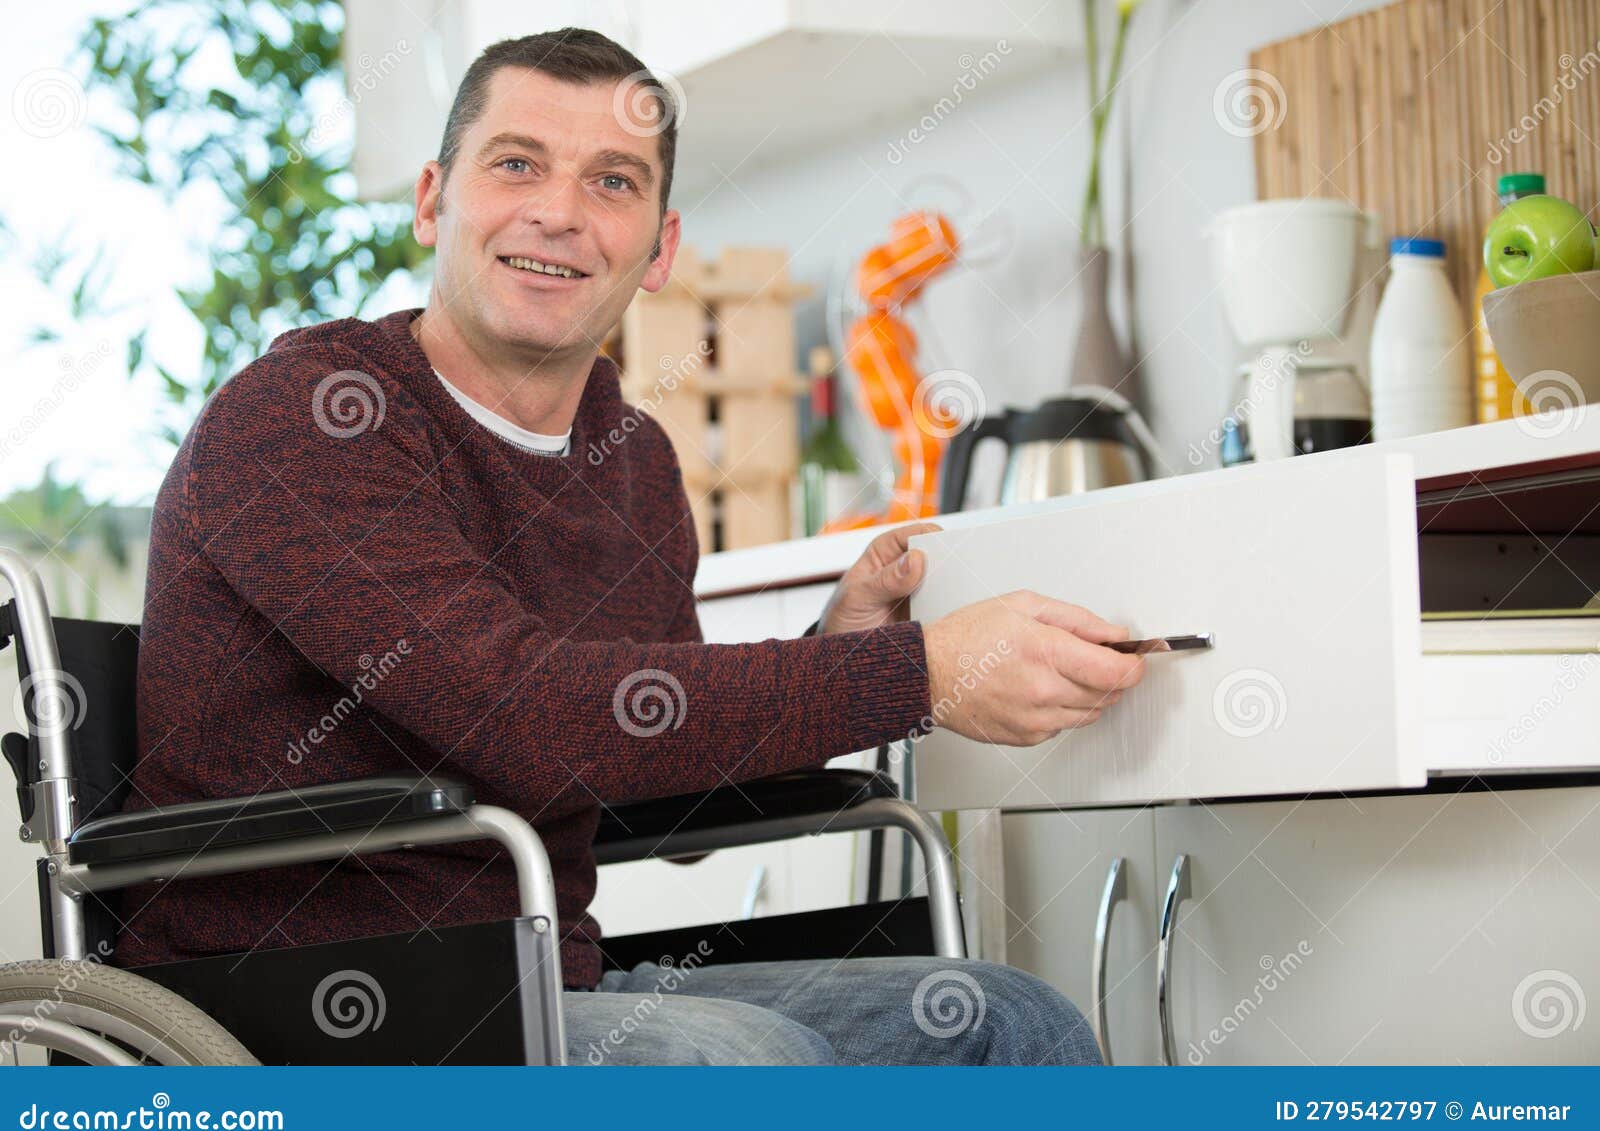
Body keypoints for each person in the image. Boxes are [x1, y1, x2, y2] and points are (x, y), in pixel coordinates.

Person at [117, 27, 1144, 1065]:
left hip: (541, 980)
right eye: (516, 163)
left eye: (611, 181)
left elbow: (641, 779)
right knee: (741, 1064)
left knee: (1008, 1022)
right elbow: (520, 714)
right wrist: (914, 671)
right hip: (286, 1001)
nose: (558, 211)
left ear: (657, 249)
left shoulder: (629, 461)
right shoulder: (312, 414)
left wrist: (833, 639)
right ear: (433, 199)